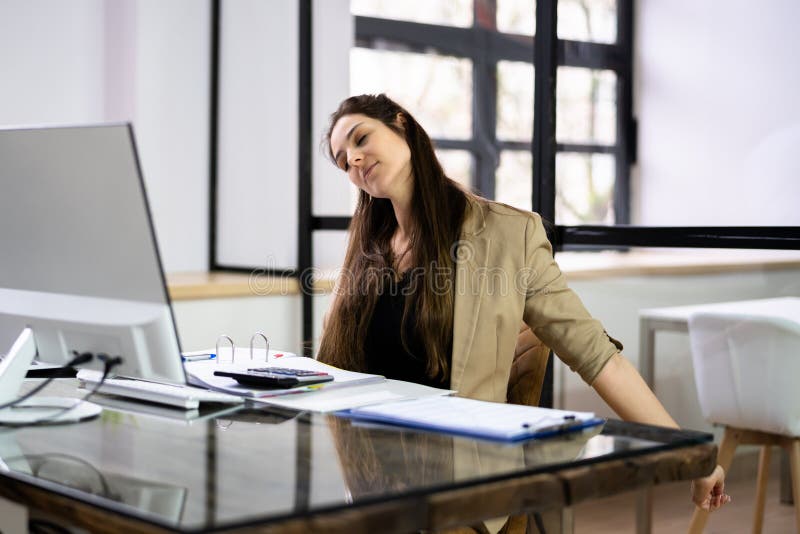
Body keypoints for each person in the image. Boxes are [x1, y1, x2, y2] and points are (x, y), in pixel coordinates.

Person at [318, 93, 730, 513]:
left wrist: (692, 455)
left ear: (401, 124)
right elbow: (333, 370)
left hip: (453, 476)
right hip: (366, 473)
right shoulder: (365, 251)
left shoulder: (508, 235)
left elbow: (598, 357)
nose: (352, 158)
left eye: (360, 138)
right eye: (340, 159)